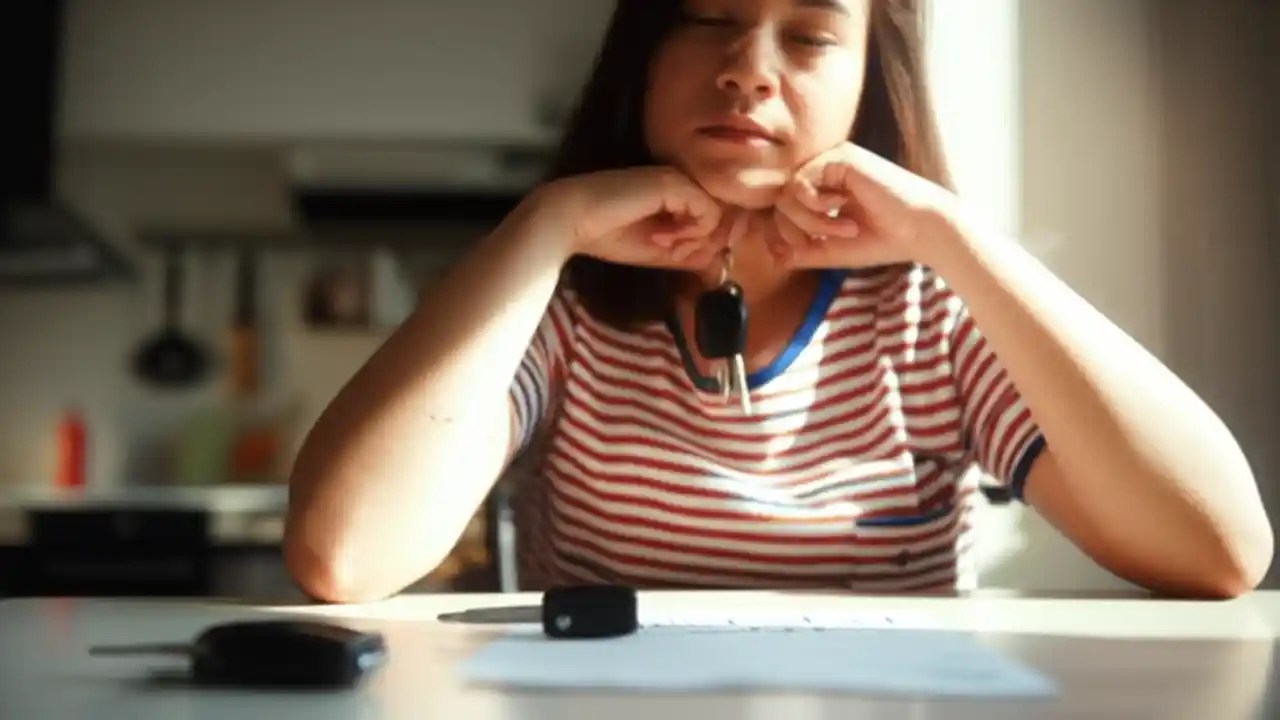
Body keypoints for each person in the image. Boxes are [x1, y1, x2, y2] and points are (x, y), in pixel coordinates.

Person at [283, 0, 1273, 602]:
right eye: (709, 20)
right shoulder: (559, 308)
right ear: (640, 59)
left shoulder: (928, 319)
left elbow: (1218, 552)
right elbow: (341, 553)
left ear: (864, 87)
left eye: (806, 37)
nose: (746, 71)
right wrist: (543, 225)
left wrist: (954, 238)